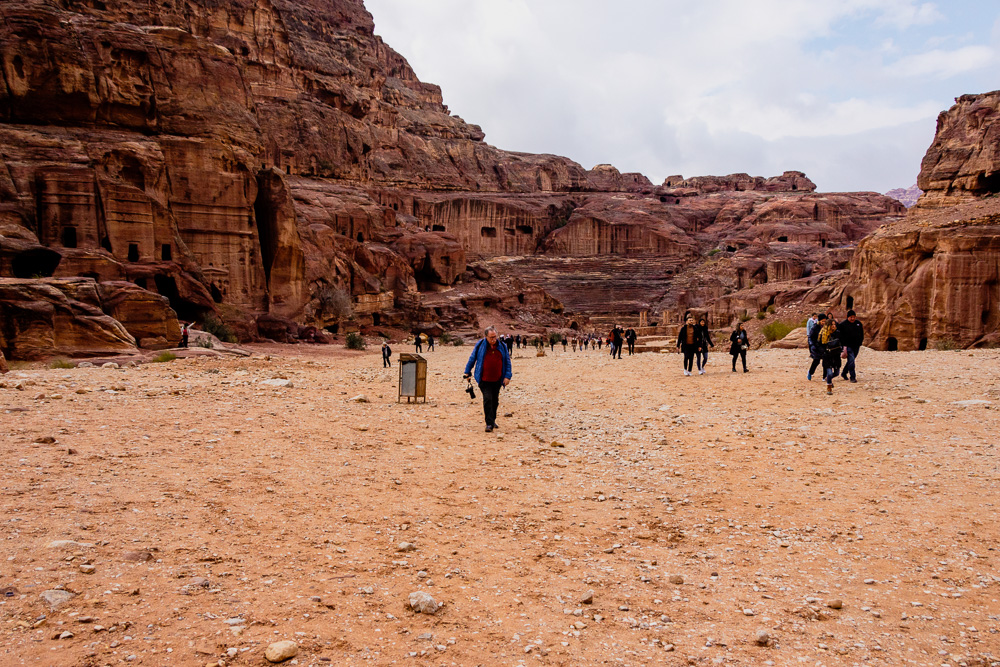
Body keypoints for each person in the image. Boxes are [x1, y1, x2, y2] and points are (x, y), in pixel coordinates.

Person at [463, 326, 512, 433]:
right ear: (486, 337)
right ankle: (489, 423)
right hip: (484, 379)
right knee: (488, 399)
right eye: (491, 337)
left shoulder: (502, 346)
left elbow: (507, 362)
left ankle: (492, 419)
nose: (494, 339)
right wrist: (467, 372)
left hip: (497, 379)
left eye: (495, 337)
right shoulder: (480, 345)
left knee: (495, 401)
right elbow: (472, 358)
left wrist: (507, 376)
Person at [838, 310, 863, 383]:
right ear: (848, 317)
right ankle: (853, 377)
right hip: (847, 346)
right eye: (851, 317)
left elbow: (861, 333)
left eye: (854, 317)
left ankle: (844, 373)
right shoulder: (843, 325)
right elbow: (840, 336)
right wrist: (843, 346)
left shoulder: (858, 323)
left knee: (850, 361)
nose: (852, 319)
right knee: (851, 361)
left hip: (856, 345)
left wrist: (860, 342)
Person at [819, 319, 842, 395]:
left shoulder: (837, 333)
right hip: (827, 355)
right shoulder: (823, 333)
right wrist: (824, 351)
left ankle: (828, 379)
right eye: (832, 324)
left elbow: (841, 341)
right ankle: (829, 386)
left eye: (834, 324)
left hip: (836, 355)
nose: (833, 326)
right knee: (829, 373)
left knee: (836, 373)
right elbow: (819, 344)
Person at [807, 313, 827, 380]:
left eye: (825, 321)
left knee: (825, 362)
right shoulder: (815, 327)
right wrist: (812, 345)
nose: (823, 323)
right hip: (816, 346)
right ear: (819, 321)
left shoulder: (827, 328)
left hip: (824, 346)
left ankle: (825, 376)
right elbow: (810, 337)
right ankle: (810, 372)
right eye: (822, 321)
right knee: (816, 361)